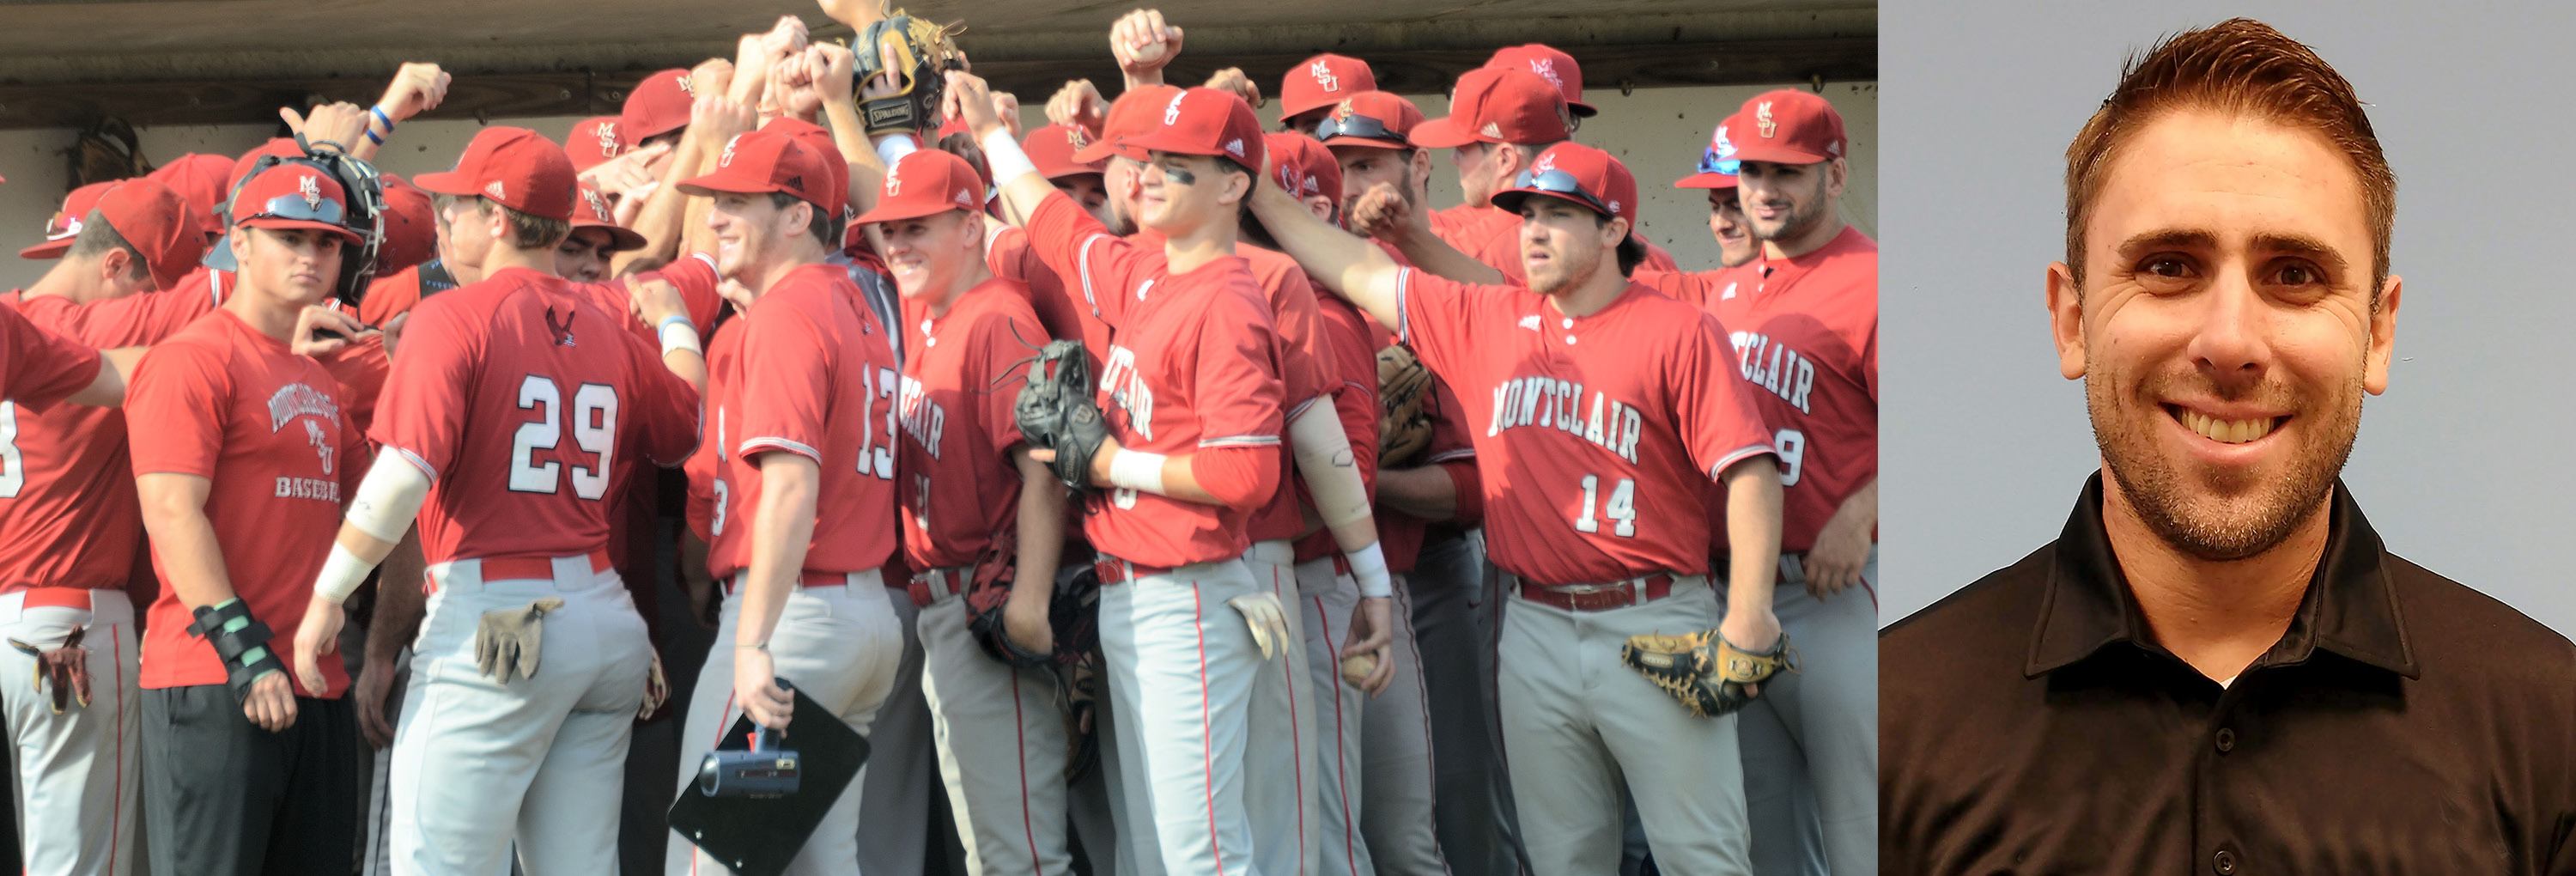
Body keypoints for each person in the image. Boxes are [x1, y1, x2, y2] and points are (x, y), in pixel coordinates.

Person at [1880, 18, 2576, 873]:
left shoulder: (2554, 733)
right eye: (2170, 266)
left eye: (2295, 274)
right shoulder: (1889, 725)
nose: (2231, 340)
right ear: (2072, 321)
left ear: (2379, 334)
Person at [1248, 138, 1786, 875]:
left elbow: (1750, 472)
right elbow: (1362, 268)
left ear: (1613, 229)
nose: (1533, 229)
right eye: (1528, 212)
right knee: (1563, 859)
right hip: (1533, 625)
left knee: (1705, 857)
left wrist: (1750, 613)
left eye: (1560, 214)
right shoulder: (1491, 320)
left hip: (1655, 615)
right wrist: (1257, 191)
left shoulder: (1677, 330)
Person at [286, 125, 702, 874]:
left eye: (462, 205)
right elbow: (684, 429)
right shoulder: (610, 325)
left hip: (499, 621)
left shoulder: (454, 315)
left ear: (501, 220)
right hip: (603, 617)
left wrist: (327, 597)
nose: (446, 219)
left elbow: (403, 475)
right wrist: (676, 325)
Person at [665, 125, 906, 876]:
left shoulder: (787, 311)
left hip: (791, 628)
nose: (715, 219)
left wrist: (752, 644)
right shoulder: (861, 302)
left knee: (707, 866)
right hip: (859, 622)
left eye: (738, 203)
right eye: (716, 202)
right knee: (818, 865)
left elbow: (791, 487)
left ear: (798, 216)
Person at [129, 161, 375, 876]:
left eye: (326, 243)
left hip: (314, 680)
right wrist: (244, 650)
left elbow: (374, 506)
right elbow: (172, 511)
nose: (309, 256)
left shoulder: (316, 376)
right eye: (288, 237)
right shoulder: (190, 360)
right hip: (217, 673)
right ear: (238, 242)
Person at [1680, 91, 1878, 876]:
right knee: (1763, 841)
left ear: (1833, 172)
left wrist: (1861, 509)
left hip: (1835, 593)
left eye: (1786, 171)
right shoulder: (1726, 288)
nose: (1763, 187)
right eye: (1753, 169)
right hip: (1738, 600)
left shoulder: (1870, 280)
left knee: (1862, 832)